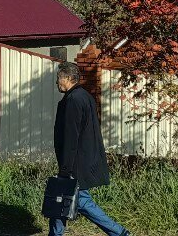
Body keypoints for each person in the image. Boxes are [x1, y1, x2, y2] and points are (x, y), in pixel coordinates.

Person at [51, 61, 130, 236]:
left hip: (75, 163)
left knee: (80, 202)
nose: (57, 82)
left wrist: (65, 169)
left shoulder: (73, 100)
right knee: (61, 199)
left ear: (69, 78)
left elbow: (72, 137)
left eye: (59, 78)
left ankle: (119, 232)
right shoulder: (83, 96)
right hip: (80, 160)